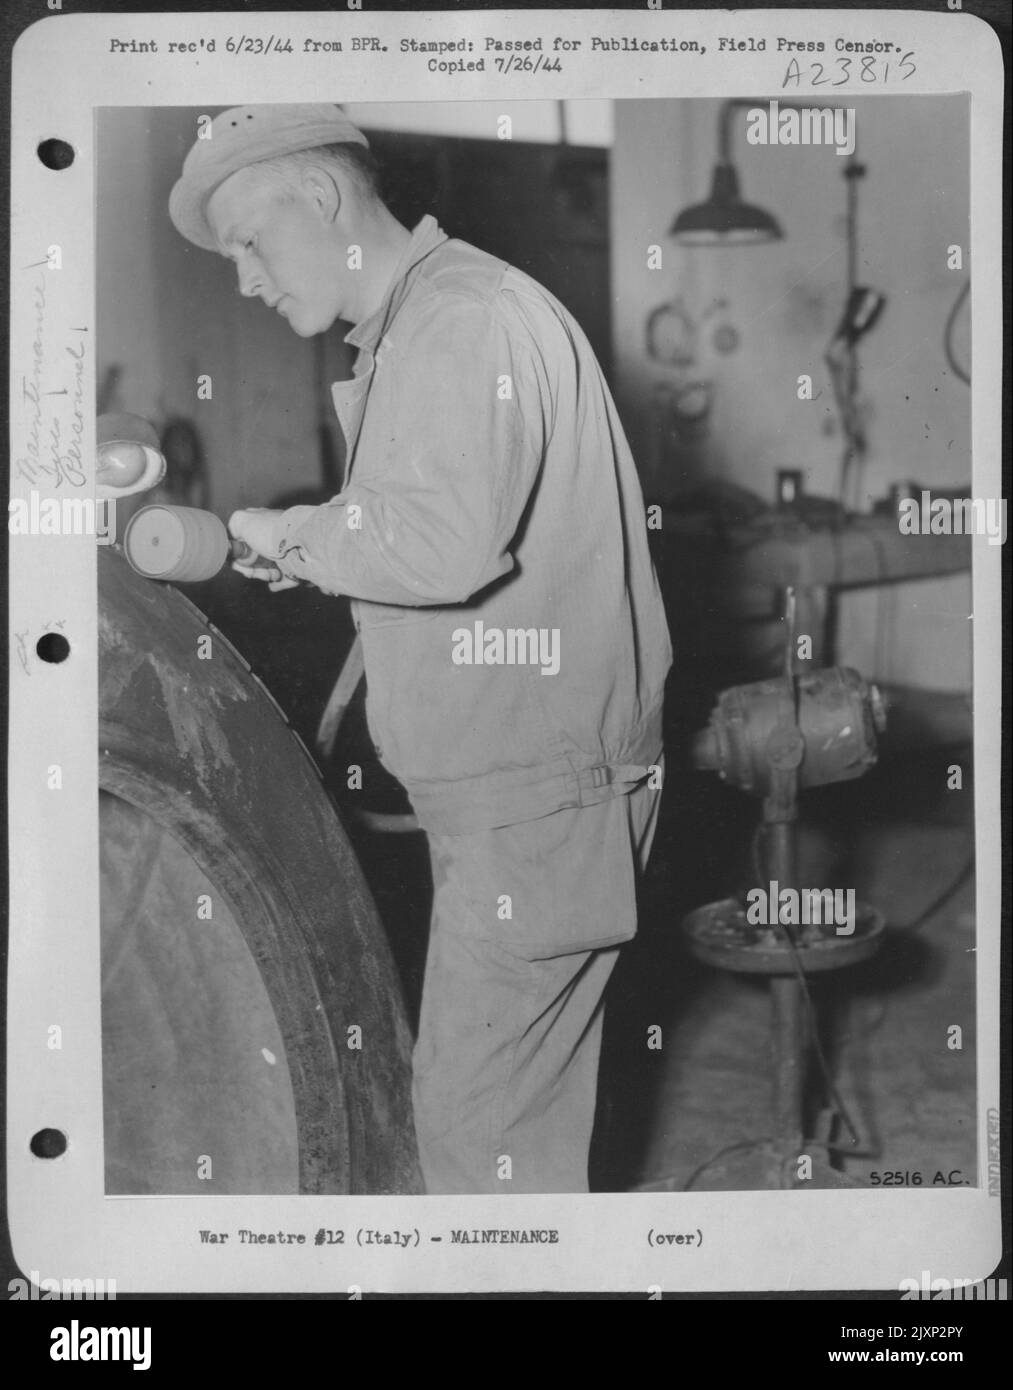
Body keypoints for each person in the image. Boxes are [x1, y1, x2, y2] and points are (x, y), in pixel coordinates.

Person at [169, 104, 672, 1194]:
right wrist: (315, 553)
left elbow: (442, 544)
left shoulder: (459, 318)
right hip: (519, 787)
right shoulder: (429, 321)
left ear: (319, 194)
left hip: (533, 796)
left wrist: (290, 530)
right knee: (504, 1121)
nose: (245, 281)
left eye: (249, 241)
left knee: (479, 1137)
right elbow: (434, 535)